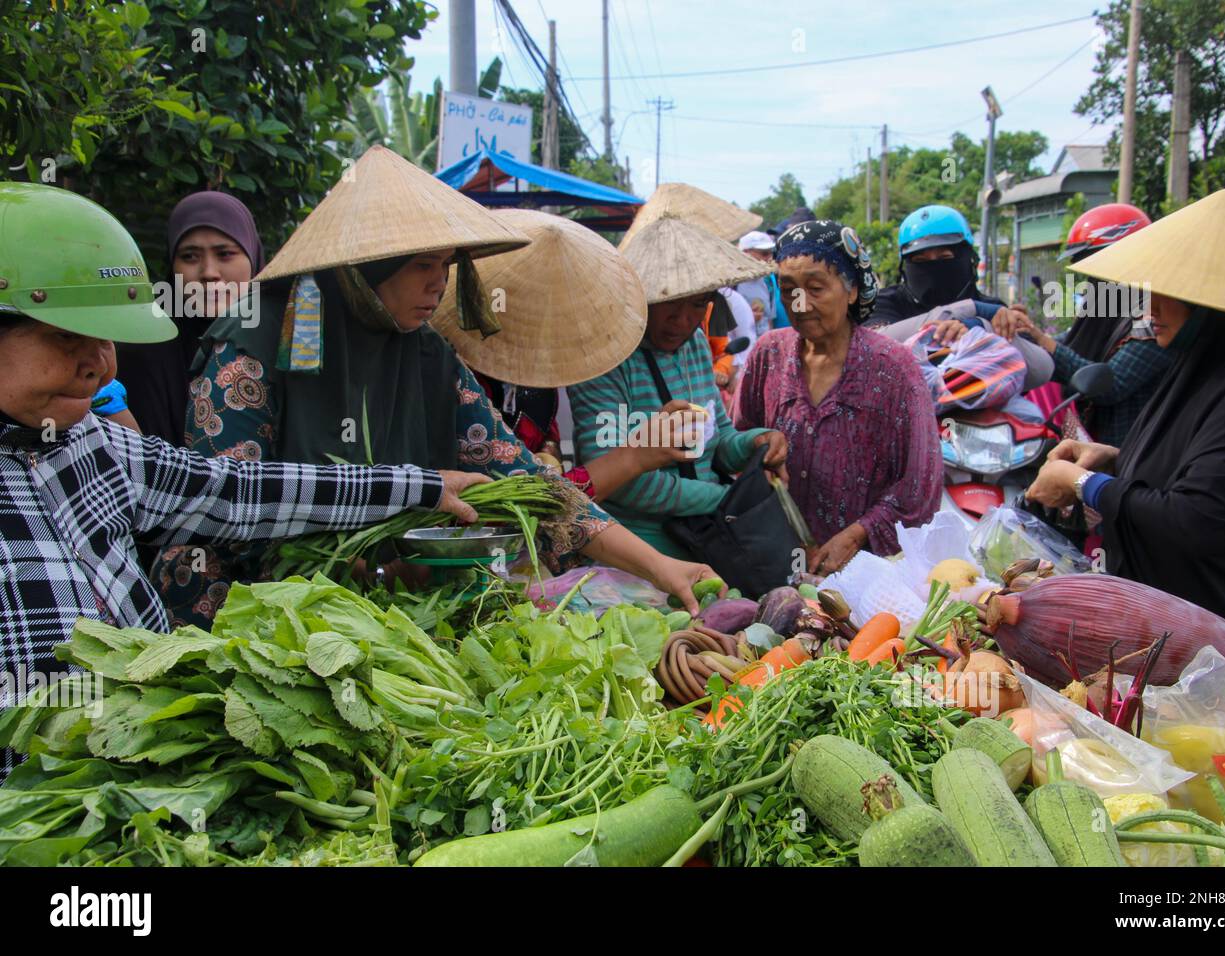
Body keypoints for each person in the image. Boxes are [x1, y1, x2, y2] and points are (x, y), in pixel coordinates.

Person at [0, 183, 494, 777]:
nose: (100, 365)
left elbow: (241, 491)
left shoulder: (94, 445)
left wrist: (419, 488)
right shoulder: (247, 344)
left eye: (106, 339)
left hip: (134, 780)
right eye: (65, 337)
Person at [161, 146, 718, 626]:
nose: (439, 285)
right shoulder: (255, 339)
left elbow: (530, 483)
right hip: (251, 606)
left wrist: (659, 567)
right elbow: (225, 497)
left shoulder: (427, 355)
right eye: (423, 265)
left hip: (380, 605)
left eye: (447, 265)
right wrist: (377, 529)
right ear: (370, 266)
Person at [1025, 187, 1225, 660]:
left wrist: (1084, 482)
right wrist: (1111, 458)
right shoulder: (1200, 375)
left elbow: (1193, 520)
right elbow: (1189, 464)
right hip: (1179, 632)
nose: (1149, 306)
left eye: (1168, 292)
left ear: (1215, 307)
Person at [430, 208, 701, 504]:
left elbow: (548, 441)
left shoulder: (535, 375)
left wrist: (549, 452)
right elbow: (530, 500)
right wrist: (634, 457)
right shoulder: (453, 379)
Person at [568, 216, 789, 558]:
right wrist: (726, 498)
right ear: (639, 293)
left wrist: (754, 442)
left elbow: (718, 442)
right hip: (636, 548)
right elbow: (619, 480)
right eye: (668, 301)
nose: (683, 320)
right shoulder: (604, 358)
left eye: (697, 303)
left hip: (707, 537)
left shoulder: (696, 344)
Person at [734, 220, 943, 572]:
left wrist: (858, 533)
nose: (799, 304)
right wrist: (759, 456)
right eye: (788, 290)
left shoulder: (893, 368)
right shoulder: (768, 354)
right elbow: (739, 439)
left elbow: (920, 486)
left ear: (851, 291)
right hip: (775, 557)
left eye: (816, 288)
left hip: (868, 570)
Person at [1007, 203, 1174, 446]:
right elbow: (1070, 343)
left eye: (1096, 272)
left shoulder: (1153, 322)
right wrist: (1025, 332)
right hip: (1093, 445)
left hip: (1134, 453)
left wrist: (1043, 341)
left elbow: (1111, 385)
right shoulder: (1107, 309)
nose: (1090, 283)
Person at [115, 191, 265, 446]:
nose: (209, 273)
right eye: (190, 257)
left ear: (252, 257)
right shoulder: (144, 347)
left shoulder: (281, 338)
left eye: (225, 254)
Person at [870, 204, 1053, 390]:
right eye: (920, 261)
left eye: (945, 257)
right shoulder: (888, 303)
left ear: (969, 260)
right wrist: (966, 311)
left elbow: (1037, 372)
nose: (934, 268)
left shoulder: (996, 310)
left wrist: (980, 327)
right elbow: (872, 342)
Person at [734, 230, 789, 334]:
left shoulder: (768, 280)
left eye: (771, 253)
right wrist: (747, 318)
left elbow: (769, 320)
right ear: (745, 253)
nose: (769, 258)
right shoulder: (730, 284)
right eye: (764, 254)